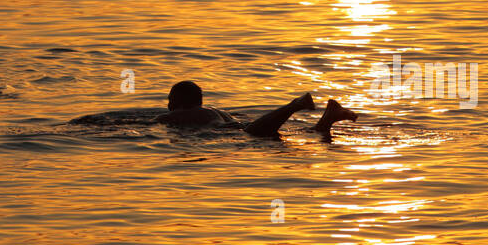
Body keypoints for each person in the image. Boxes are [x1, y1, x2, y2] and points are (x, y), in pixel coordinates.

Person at [153, 81, 357, 137]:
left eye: (170, 99)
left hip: (233, 133)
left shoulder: (177, 115)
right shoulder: (213, 110)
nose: (168, 104)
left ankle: (294, 105)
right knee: (307, 133)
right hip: (235, 126)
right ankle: (328, 118)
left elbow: (144, 124)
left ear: (178, 101)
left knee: (255, 133)